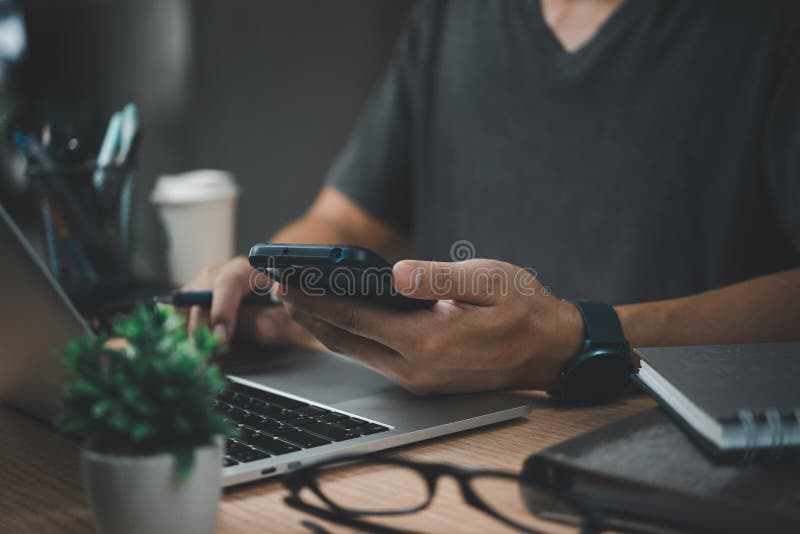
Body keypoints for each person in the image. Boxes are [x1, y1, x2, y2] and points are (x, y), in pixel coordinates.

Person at [184, 0, 800, 397]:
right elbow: (345, 215)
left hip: (656, 440)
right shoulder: (454, 16)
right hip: (446, 433)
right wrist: (267, 274)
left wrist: (578, 339)